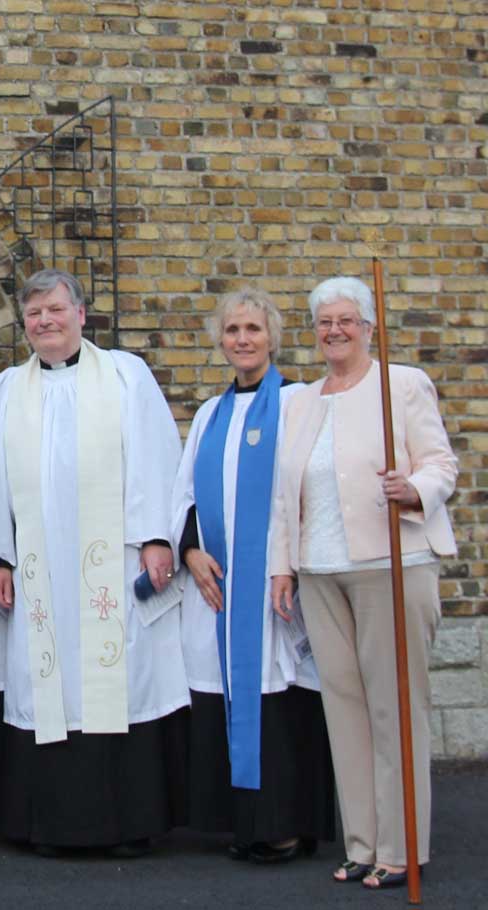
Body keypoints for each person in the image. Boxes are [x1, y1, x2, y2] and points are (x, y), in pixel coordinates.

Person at [0, 268, 189, 858]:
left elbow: (151, 451)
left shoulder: (124, 373)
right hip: (41, 570)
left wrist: (155, 538)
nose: (44, 321)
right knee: (47, 685)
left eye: (54, 310)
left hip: (111, 563)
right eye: (34, 314)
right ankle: (49, 824)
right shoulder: (6, 390)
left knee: (115, 680)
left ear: (81, 313)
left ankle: (125, 825)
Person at [268, 276, 457, 890]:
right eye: (324, 322)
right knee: (343, 711)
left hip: (390, 566)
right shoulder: (300, 400)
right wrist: (282, 566)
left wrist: (415, 489)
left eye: (347, 320)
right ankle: (362, 844)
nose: (335, 331)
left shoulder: (400, 386)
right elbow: (282, 495)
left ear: (369, 327)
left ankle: (403, 848)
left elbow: (440, 464)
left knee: (394, 710)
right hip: (321, 571)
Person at [169, 288, 335, 863]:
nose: (243, 339)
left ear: (273, 338)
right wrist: (189, 551)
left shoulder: (298, 403)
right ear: (221, 340)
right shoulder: (211, 414)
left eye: (253, 330)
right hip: (219, 587)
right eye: (233, 330)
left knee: (279, 698)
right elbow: (184, 494)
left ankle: (287, 825)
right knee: (227, 694)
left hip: (274, 585)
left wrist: (285, 564)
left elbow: (314, 485)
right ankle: (246, 824)